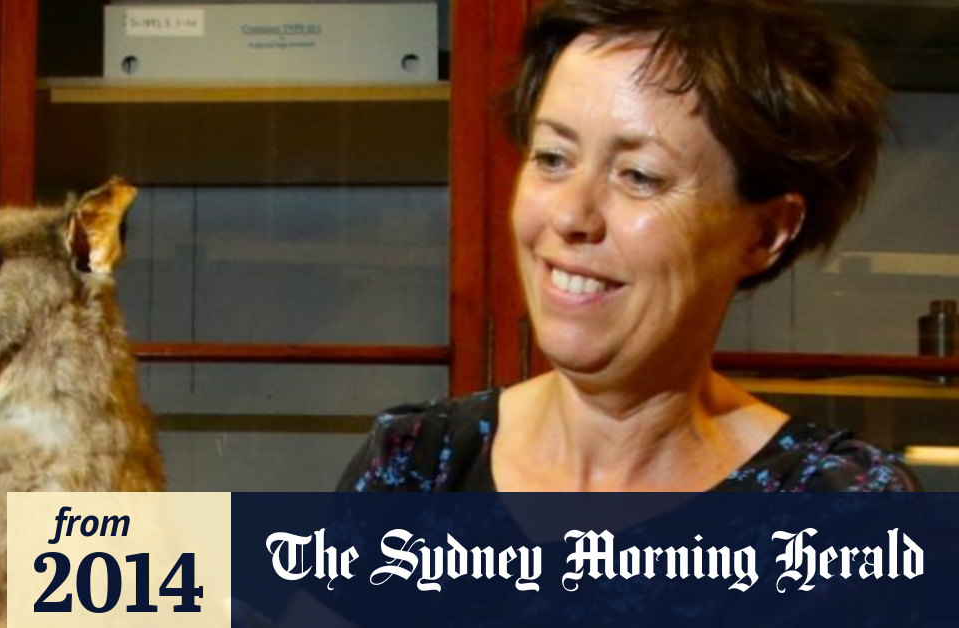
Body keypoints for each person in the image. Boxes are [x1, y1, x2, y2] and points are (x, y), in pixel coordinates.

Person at [338, 0, 918, 492]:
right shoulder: (416, 465)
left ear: (766, 232)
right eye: (552, 158)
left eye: (639, 176)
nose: (570, 215)